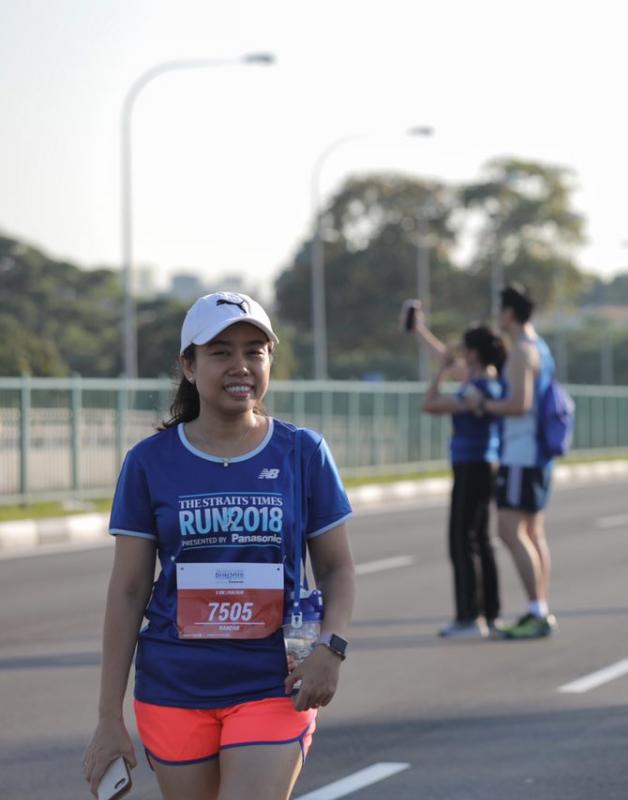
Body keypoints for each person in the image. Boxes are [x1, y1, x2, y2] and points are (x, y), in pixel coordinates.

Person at [83, 292, 356, 799]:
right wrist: (108, 717)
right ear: (188, 366)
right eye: (221, 352)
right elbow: (128, 591)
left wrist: (331, 648)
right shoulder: (149, 463)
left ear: (270, 361)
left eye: (255, 351)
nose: (241, 366)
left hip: (273, 685)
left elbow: (337, 569)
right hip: (174, 686)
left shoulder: (303, 453)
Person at [465, 283, 559, 640]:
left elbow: (520, 404)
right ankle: (540, 608)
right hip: (536, 453)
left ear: (508, 313)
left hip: (521, 453)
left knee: (509, 531)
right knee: (533, 533)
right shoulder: (540, 346)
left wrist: (482, 405)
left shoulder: (521, 351)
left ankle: (537, 611)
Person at [408, 306, 506, 638]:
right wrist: (420, 330)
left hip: (472, 465)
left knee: (461, 540)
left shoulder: (478, 388)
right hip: (482, 464)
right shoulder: (487, 379)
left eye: (465, 348)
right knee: (481, 540)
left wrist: (440, 372)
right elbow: (444, 355)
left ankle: (469, 618)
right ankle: (490, 614)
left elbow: (431, 403)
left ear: (474, 353)